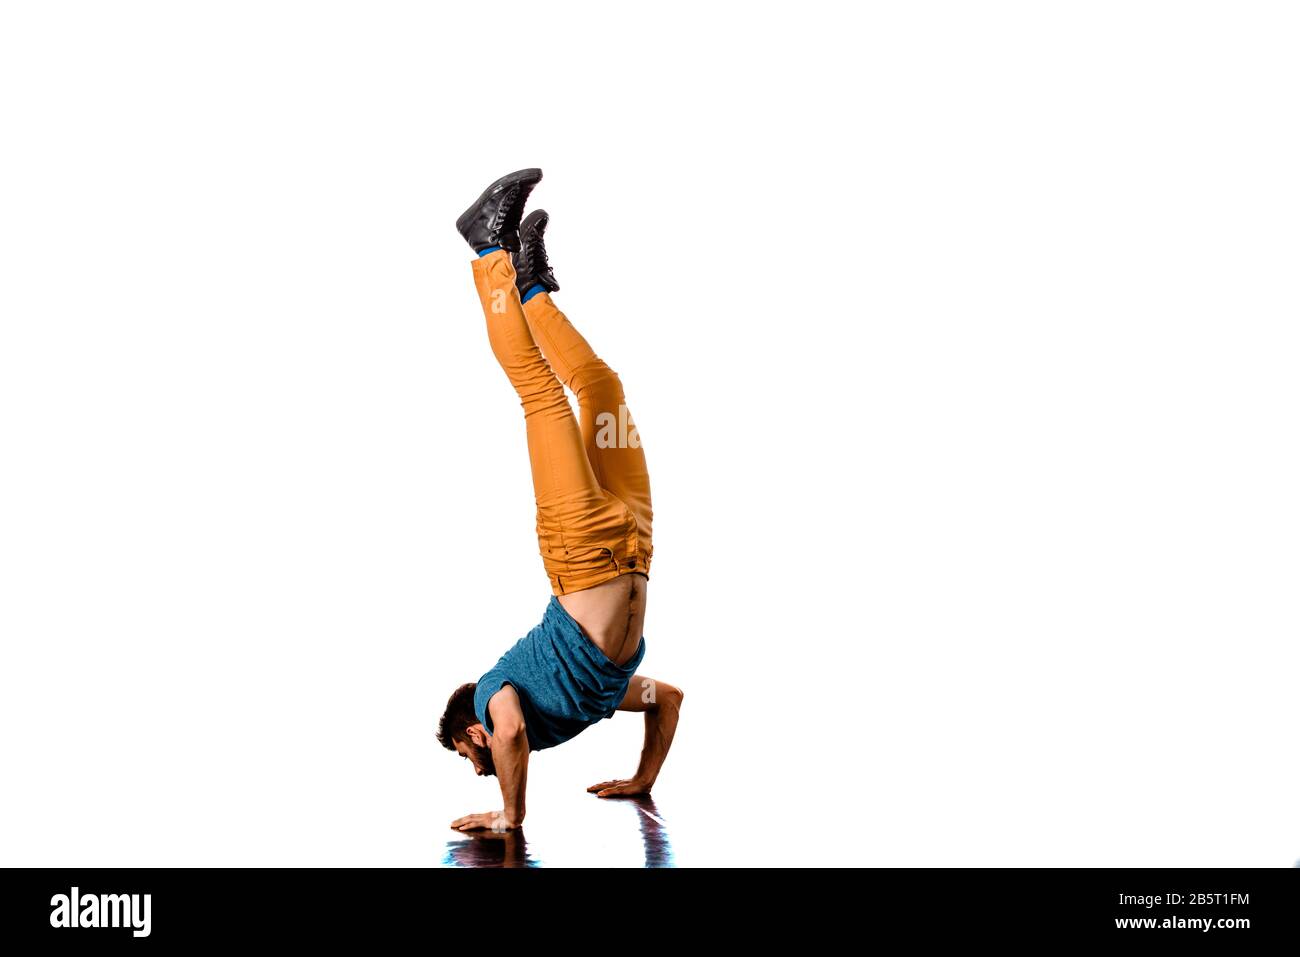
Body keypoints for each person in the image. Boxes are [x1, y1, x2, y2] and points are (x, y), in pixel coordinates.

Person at [437, 169, 684, 833]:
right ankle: (531, 287)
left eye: (468, 753)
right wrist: (643, 778)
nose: (478, 763)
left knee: (542, 395)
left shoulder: (495, 695)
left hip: (578, 544)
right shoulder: (590, 699)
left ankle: (488, 249)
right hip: (634, 532)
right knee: (604, 388)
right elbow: (668, 699)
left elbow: (510, 733)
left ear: (474, 727)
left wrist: (510, 816)